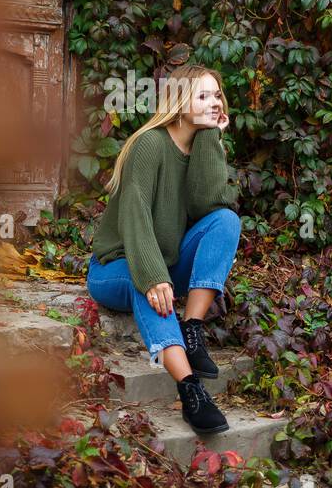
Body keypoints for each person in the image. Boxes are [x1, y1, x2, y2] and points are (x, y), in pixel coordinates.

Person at [86, 63, 242, 434]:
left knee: (227, 221)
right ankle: (190, 389)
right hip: (116, 266)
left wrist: (211, 140)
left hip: (167, 259)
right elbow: (135, 215)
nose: (213, 102)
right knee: (148, 285)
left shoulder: (201, 142)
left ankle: (191, 328)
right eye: (202, 95)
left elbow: (210, 203)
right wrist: (154, 276)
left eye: (216, 94)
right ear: (179, 101)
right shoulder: (150, 144)